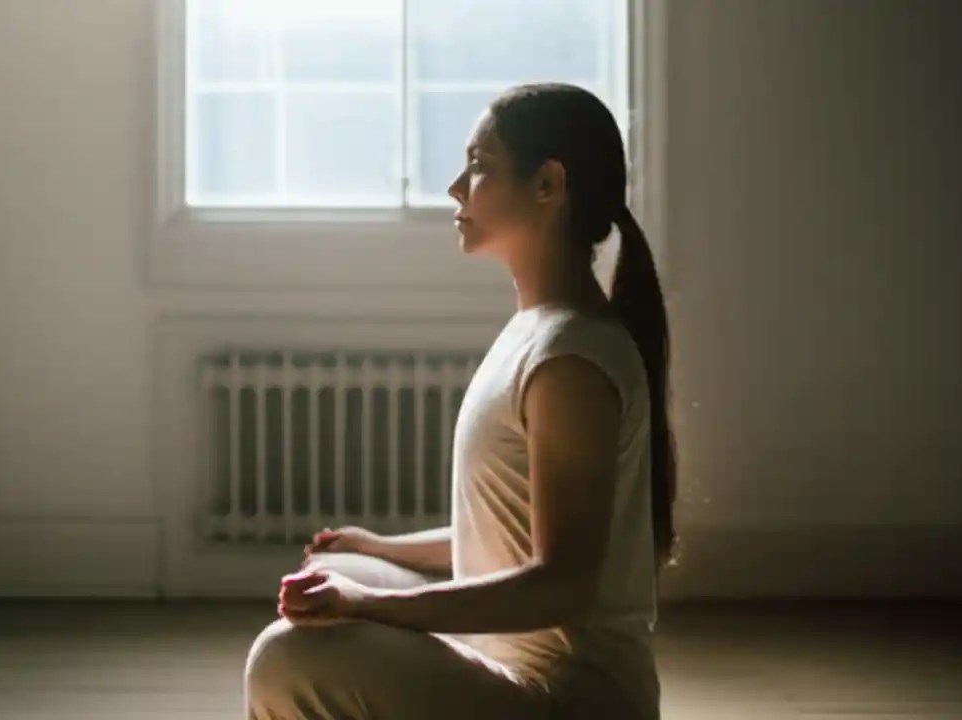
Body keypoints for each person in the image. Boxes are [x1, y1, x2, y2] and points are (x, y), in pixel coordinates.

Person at [244, 82, 678, 720]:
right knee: (339, 571)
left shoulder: (571, 362)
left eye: (479, 167)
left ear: (547, 185)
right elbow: (503, 534)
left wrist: (365, 606)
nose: (455, 187)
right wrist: (377, 549)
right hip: (511, 668)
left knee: (287, 659)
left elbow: (562, 585)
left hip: (571, 700)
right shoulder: (543, 330)